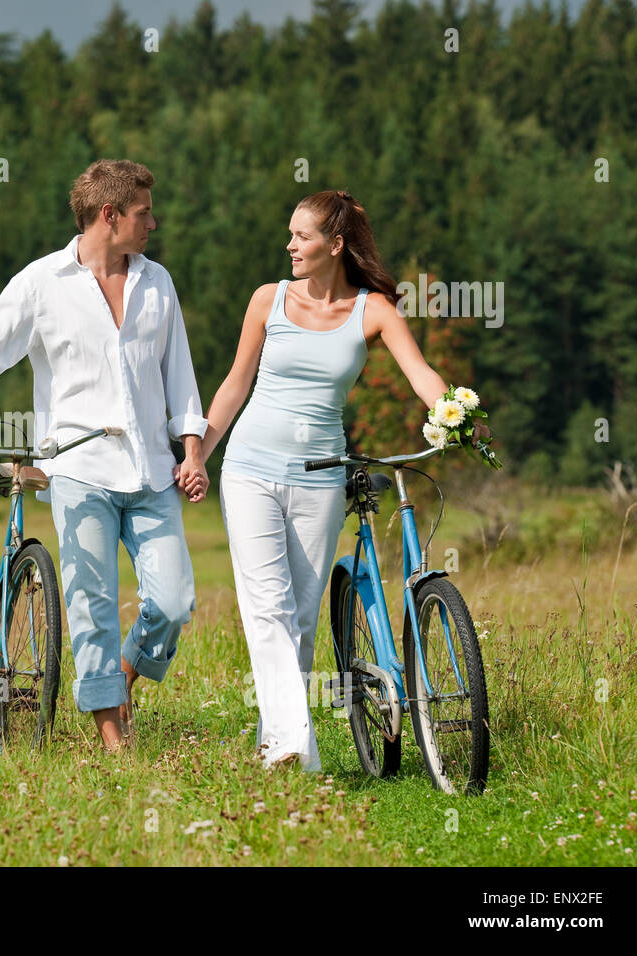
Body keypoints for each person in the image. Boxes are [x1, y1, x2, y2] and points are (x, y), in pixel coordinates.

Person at [187, 189, 489, 771]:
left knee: (299, 618)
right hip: (250, 467)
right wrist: (200, 451)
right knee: (268, 607)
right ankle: (301, 748)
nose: (290, 246)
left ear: (335, 244)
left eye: (301, 236)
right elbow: (234, 385)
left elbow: (420, 374)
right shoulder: (267, 299)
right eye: (291, 235)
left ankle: (274, 744)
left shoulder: (372, 310)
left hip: (322, 476)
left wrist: (457, 416)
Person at [0, 159, 210, 751]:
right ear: (110, 216)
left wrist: (193, 452)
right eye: (144, 212)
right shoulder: (43, 283)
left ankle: (119, 677)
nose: (154, 222)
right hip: (76, 468)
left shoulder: (158, 283)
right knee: (91, 603)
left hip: (152, 471)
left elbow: (180, 376)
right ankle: (112, 737)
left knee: (174, 601)